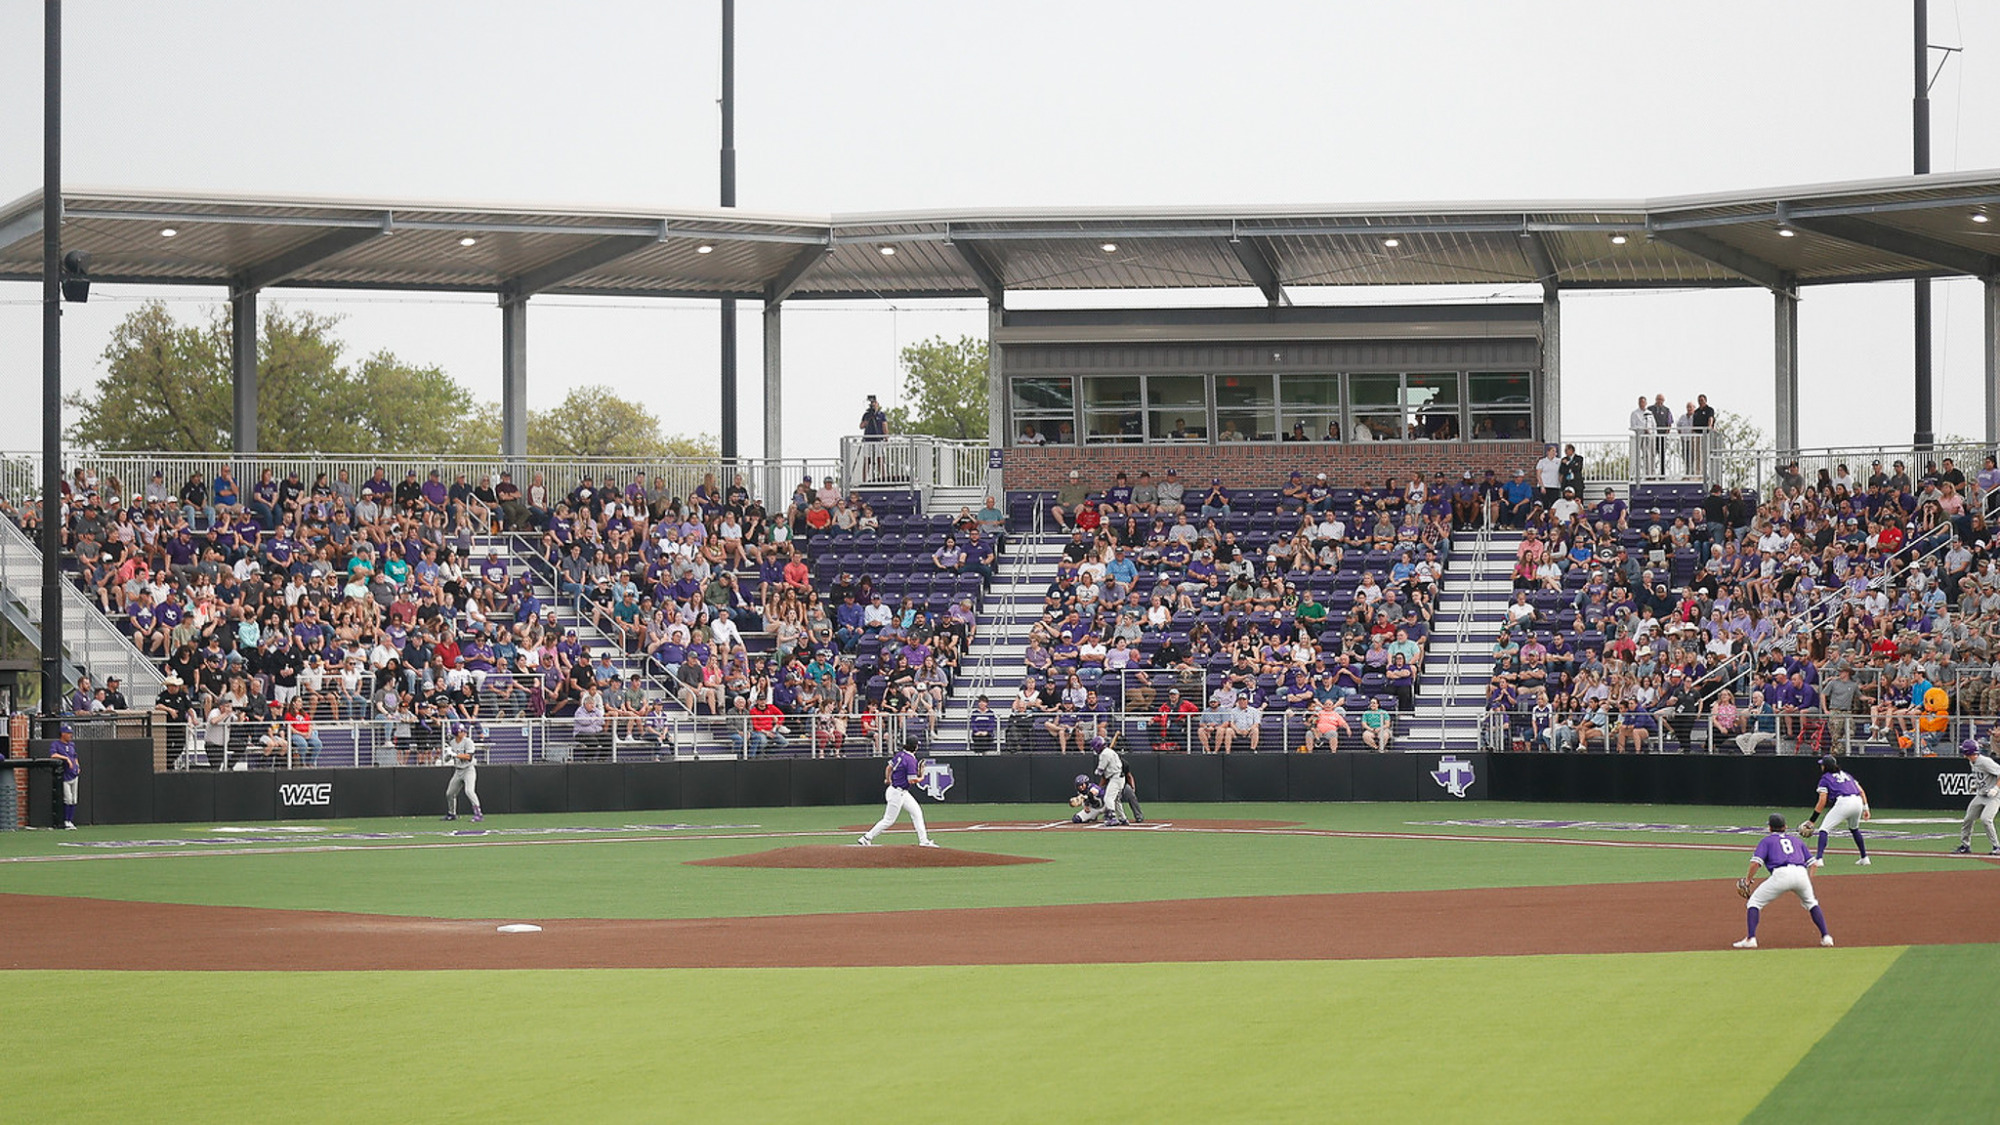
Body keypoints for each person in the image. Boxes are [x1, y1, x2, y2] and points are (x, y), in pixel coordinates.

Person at [1733, 813, 1833, 949]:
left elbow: (1755, 863)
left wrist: (1748, 880)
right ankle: (1826, 937)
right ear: (1785, 826)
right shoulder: (1797, 841)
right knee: (1811, 903)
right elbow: (1813, 864)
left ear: (1769, 828)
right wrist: (1807, 881)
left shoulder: (1766, 841)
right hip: (1801, 873)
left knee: (1754, 902)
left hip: (1781, 874)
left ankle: (1751, 939)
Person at [857, 738, 938, 847]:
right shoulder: (911, 760)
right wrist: (922, 776)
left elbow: (888, 767)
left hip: (900, 792)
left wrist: (888, 779)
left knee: (917, 813)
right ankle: (866, 837)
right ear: (915, 747)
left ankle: (924, 841)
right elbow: (912, 780)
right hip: (897, 793)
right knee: (888, 820)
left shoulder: (900, 754)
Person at [1799, 755, 1869, 866]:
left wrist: (1812, 820)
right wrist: (1866, 808)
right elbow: (1861, 791)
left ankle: (1819, 859)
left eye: (1822, 765)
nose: (1821, 766)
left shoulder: (1825, 778)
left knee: (1824, 829)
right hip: (1857, 802)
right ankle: (1864, 858)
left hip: (1844, 802)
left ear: (1825, 767)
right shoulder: (1847, 775)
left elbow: (1822, 800)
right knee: (1854, 829)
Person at [1953, 738, 2000, 855]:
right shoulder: (1972, 762)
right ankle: (1965, 846)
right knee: (1968, 819)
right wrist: (1977, 785)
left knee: (1986, 819)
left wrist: (1996, 788)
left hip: (1993, 796)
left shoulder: (1985, 761)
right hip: (1981, 794)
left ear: (1968, 752)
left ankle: (1997, 847)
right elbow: (1982, 776)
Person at [440, 724, 484, 822]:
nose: (464, 732)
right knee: (450, 793)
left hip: (468, 770)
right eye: (461, 731)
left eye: (463, 731)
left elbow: (469, 757)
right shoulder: (452, 742)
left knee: (469, 791)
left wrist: (455, 754)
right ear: (456, 733)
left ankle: (478, 814)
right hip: (458, 770)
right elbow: (447, 759)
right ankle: (452, 813)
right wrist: (448, 755)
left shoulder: (468, 742)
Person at [49, 724, 80, 829]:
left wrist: (77, 765)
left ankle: (71, 820)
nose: (70, 735)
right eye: (68, 733)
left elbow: (75, 756)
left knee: (74, 799)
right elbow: (53, 755)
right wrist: (66, 759)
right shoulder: (56, 744)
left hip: (74, 773)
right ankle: (66, 820)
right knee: (68, 798)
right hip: (65, 775)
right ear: (63, 734)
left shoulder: (72, 745)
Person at [1095, 736, 1129, 826]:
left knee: (1108, 798)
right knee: (1116, 800)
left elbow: (1100, 770)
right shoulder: (1109, 751)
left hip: (1116, 777)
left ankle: (1112, 817)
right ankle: (1123, 818)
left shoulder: (1104, 754)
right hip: (1120, 778)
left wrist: (1096, 771)